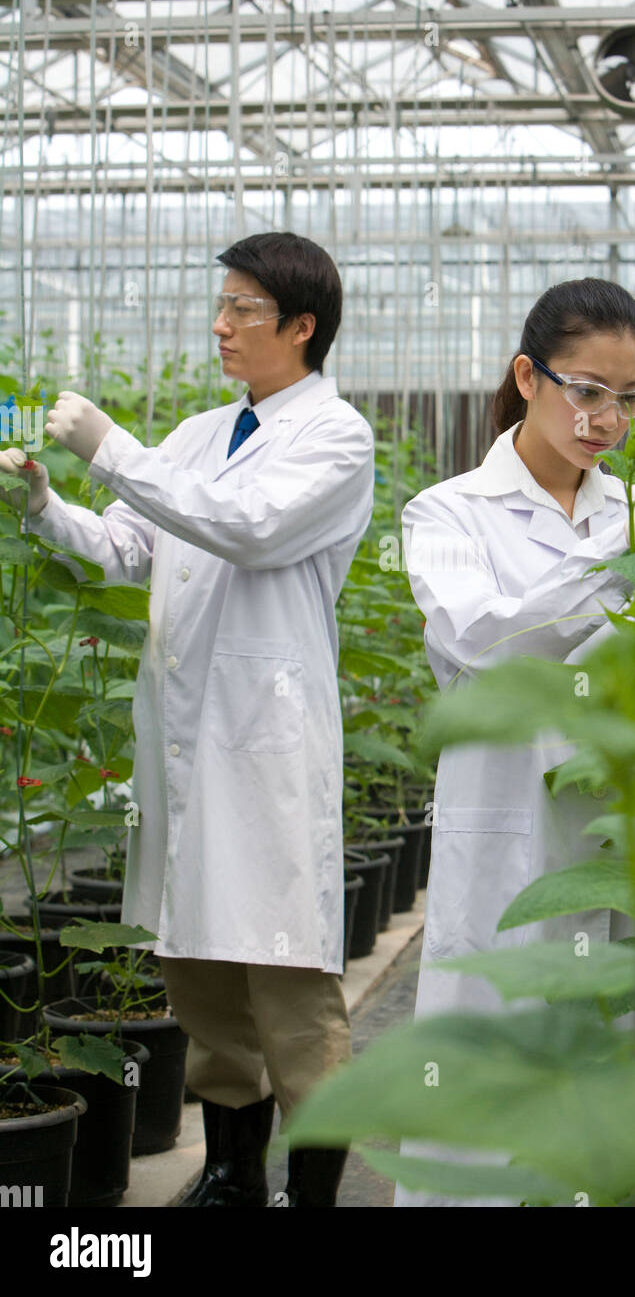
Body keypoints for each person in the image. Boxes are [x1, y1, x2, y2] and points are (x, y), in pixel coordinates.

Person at [392, 277, 635, 1208]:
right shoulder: (449, 513)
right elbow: (482, 640)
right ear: (528, 378)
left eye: (630, 398)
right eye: (587, 389)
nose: (607, 418)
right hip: (509, 837)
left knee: (611, 1089)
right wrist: (615, 567)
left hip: (622, 842)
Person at [0, 231, 375, 1207]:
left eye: (242, 308)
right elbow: (130, 547)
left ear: (300, 326)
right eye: (222, 304)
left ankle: (315, 1186)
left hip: (266, 744)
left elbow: (244, 529)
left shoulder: (336, 439)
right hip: (188, 741)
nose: (221, 324)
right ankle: (230, 1167)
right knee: (200, 975)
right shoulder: (206, 432)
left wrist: (111, 447)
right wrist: (45, 503)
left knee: (288, 985)